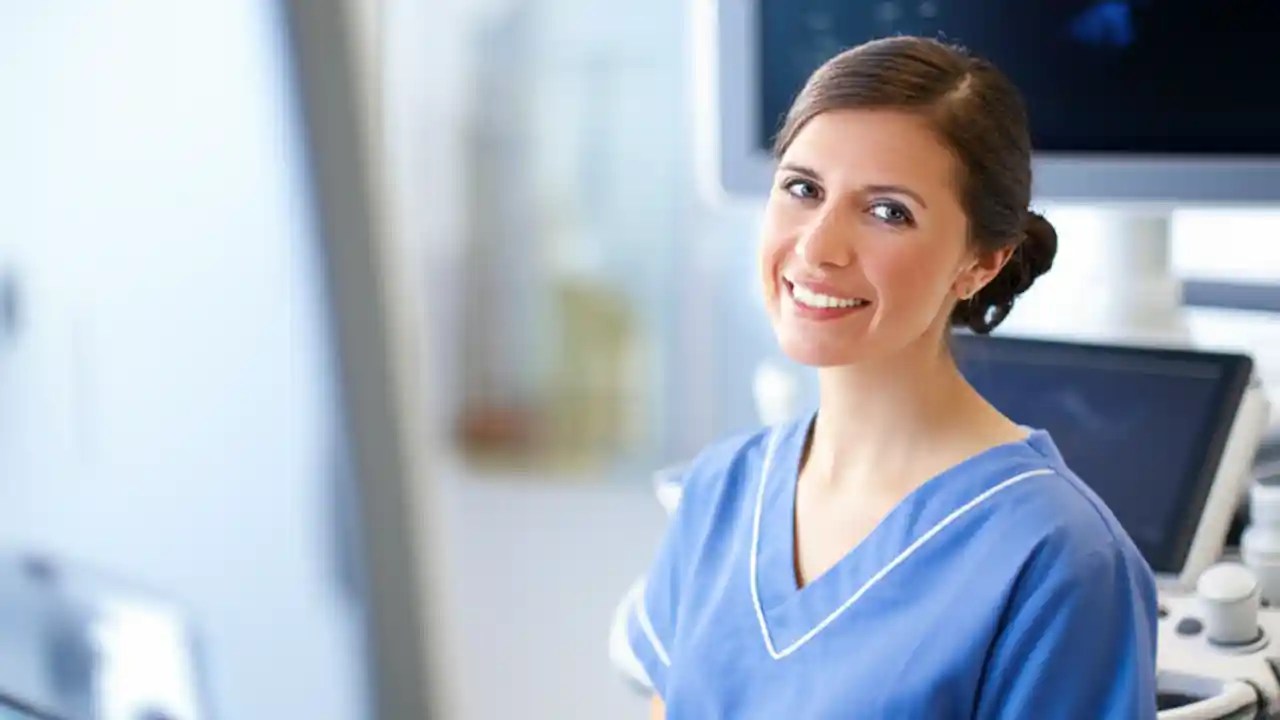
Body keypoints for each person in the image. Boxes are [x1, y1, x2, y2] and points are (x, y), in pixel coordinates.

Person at [626, 36, 1158, 719]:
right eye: (802, 188)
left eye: (888, 212)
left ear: (981, 263)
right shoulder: (721, 491)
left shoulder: (1057, 558)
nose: (817, 248)